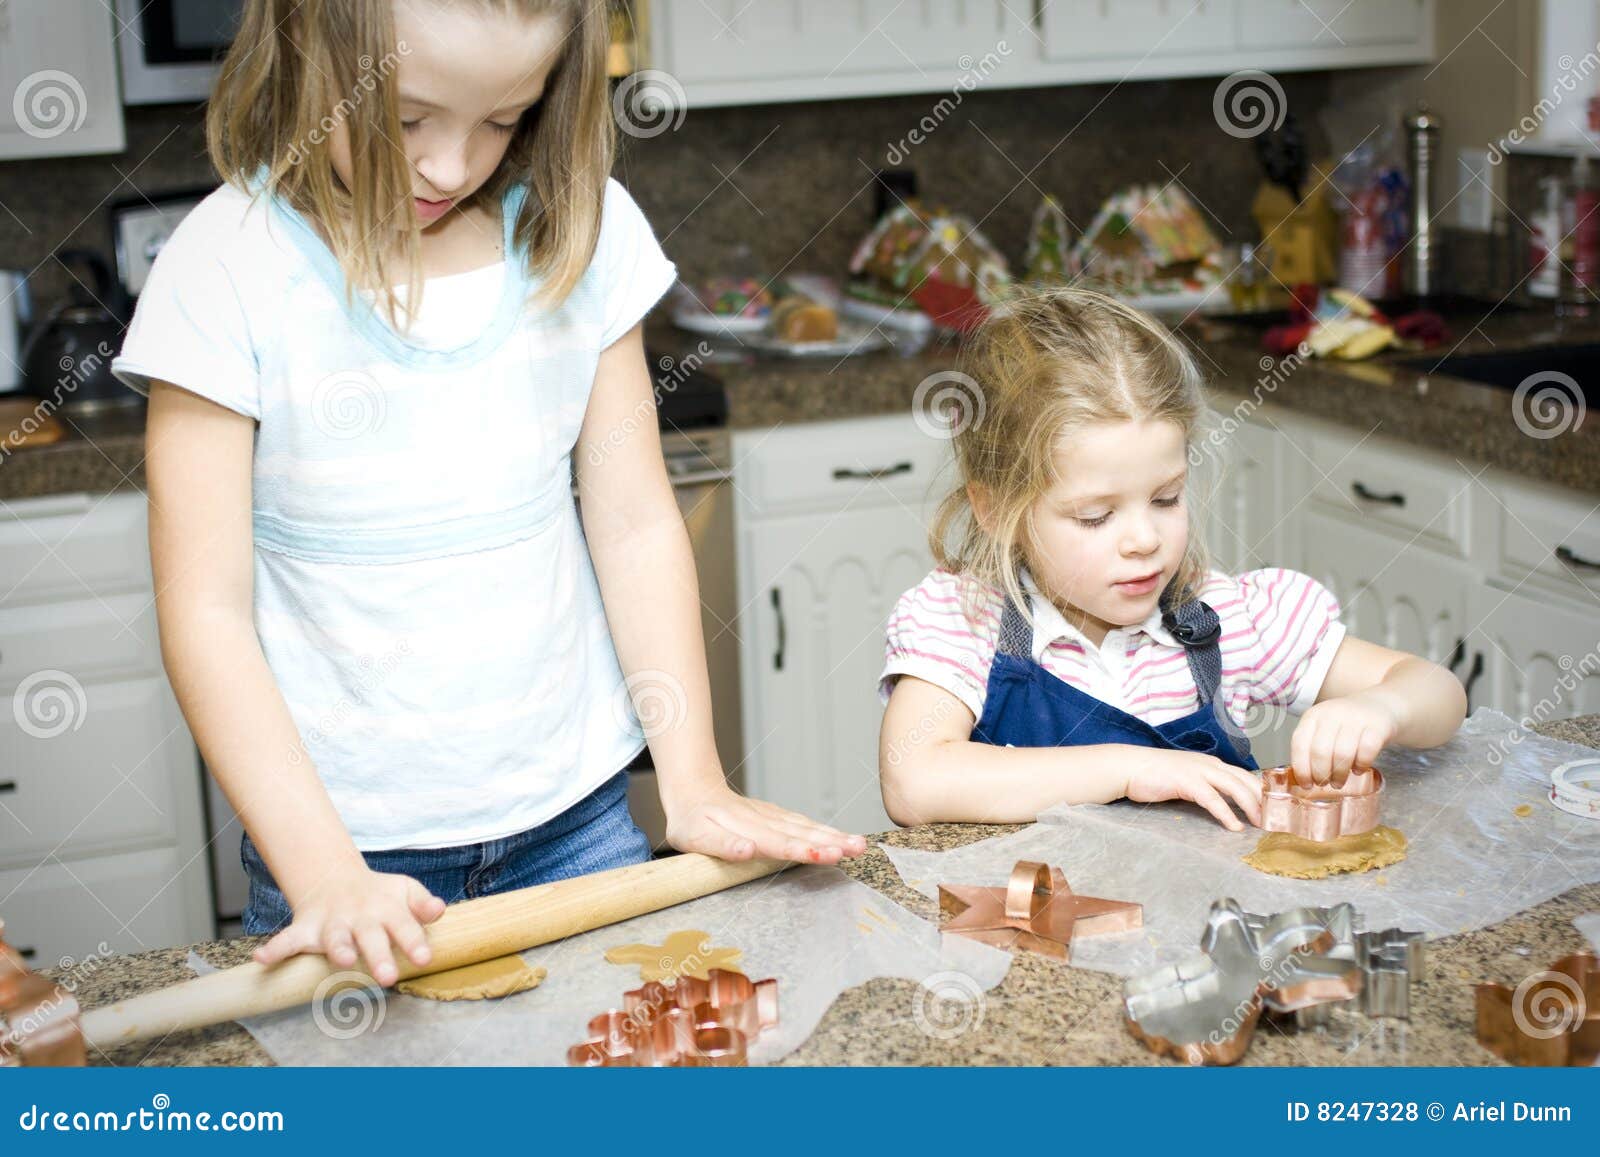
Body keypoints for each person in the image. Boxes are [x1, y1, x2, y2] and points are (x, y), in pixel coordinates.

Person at [112, 0, 863, 987]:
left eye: (504, 118)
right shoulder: (224, 270)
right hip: (344, 858)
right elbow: (205, 611)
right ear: (306, 44)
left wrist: (693, 777)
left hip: (581, 830)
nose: (452, 165)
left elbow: (633, 523)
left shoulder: (581, 231)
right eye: (407, 116)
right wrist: (326, 873)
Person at [876, 286, 1466, 829]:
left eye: (1165, 498)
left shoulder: (1226, 620)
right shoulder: (965, 624)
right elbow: (914, 781)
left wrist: (1383, 707)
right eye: (1094, 516)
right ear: (996, 508)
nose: (1143, 540)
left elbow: (1439, 694)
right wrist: (1131, 771)